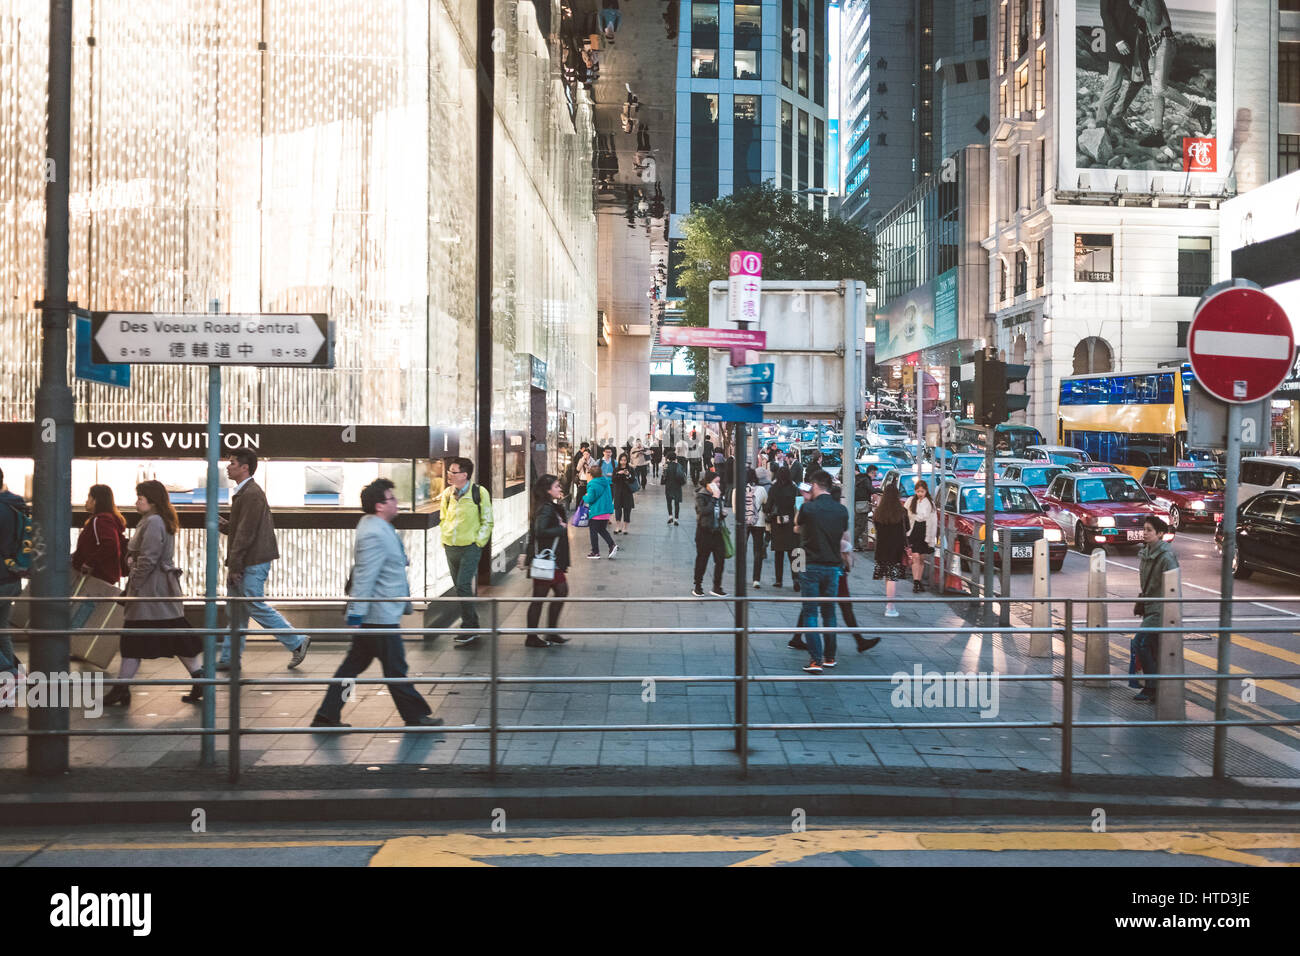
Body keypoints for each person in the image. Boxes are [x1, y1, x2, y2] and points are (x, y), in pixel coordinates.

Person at [312, 479, 442, 728]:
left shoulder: (379, 527)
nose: (396, 502)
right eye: (391, 498)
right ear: (380, 505)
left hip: (377, 614)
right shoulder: (373, 532)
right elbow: (364, 576)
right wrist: (356, 615)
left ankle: (327, 713)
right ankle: (415, 716)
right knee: (395, 668)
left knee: (353, 667)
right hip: (378, 616)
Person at [104, 481, 204, 708]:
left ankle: (122, 689)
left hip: (150, 590)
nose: (136, 501)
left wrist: (134, 583)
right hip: (159, 590)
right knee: (170, 634)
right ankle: (199, 679)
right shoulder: (155, 520)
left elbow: (148, 558)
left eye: (140, 497)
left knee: (138, 636)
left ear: (152, 500)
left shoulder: (153, 522)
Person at [218, 450, 309, 671]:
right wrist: (223, 525)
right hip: (250, 560)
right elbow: (242, 529)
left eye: (232, 463)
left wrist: (236, 566)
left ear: (244, 467)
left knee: (252, 603)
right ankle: (229, 659)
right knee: (237, 611)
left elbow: (246, 533)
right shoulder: (245, 492)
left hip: (252, 561)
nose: (228, 467)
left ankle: (297, 641)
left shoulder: (251, 494)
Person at [794, 470, 849, 674]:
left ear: (815, 485)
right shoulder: (841, 510)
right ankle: (830, 657)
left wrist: (806, 501)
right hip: (833, 566)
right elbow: (843, 534)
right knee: (829, 613)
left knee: (810, 613)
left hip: (811, 564)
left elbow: (797, 526)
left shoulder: (809, 508)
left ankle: (815, 660)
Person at [439, 456, 494, 647]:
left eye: (453, 472)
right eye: (449, 471)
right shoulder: (447, 493)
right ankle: (472, 625)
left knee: (463, 585)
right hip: (451, 546)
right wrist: (444, 539)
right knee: (460, 587)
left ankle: (469, 627)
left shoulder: (479, 492)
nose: (449, 475)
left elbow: (487, 520)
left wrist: (478, 542)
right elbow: (443, 517)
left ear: (464, 475)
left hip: (470, 547)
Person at [1132, 515, 1179, 703]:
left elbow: (1174, 584)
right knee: (1151, 646)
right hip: (1150, 605)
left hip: (1161, 608)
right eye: (1144, 529)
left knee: (1140, 642)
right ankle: (1156, 685)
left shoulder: (1166, 556)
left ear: (1160, 534)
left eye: (1149, 530)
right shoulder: (1146, 552)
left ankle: (1152, 686)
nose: (1144, 533)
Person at [830, 486, 881, 654]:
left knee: (813, 604)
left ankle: (798, 637)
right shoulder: (838, 513)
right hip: (835, 567)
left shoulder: (826, 512)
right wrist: (847, 557)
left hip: (825, 565)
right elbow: (841, 541)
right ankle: (853, 643)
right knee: (843, 605)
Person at [521, 475, 571, 648]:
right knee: (542, 597)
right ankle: (533, 637)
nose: (560, 489)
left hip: (550, 560)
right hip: (546, 560)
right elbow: (540, 531)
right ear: (548, 490)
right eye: (557, 486)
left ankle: (549, 632)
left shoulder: (549, 506)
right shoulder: (546, 508)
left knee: (559, 592)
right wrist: (561, 529)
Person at [0, 468, 27, 678]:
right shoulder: (14, 506)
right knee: (3, 632)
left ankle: (8, 672)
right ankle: (11, 679)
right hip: (12, 576)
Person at [72, 484, 128, 585]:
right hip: (103, 574)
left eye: (89, 497)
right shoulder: (107, 519)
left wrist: (89, 563)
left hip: (97, 575)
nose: (86, 501)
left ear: (95, 500)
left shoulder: (100, 520)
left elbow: (110, 544)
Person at [872, 482, 909, 618]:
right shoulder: (902, 512)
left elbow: (876, 527)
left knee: (888, 577)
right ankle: (890, 607)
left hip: (881, 547)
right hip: (896, 548)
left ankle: (889, 602)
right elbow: (907, 529)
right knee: (892, 577)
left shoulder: (878, 512)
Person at [693, 471, 728, 596]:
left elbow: (716, 513)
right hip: (704, 531)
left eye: (719, 482)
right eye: (716, 482)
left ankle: (717, 586)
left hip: (717, 532)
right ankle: (698, 585)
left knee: (720, 559)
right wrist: (714, 499)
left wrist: (722, 515)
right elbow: (703, 511)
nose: (718, 485)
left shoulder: (718, 495)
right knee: (702, 559)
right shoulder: (701, 495)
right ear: (709, 484)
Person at [735, 468, 768, 589]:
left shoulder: (737, 490)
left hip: (743, 524)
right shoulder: (761, 489)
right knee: (757, 552)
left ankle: (741, 577)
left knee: (741, 550)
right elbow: (766, 505)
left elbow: (735, 510)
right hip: (759, 523)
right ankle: (756, 579)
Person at [768, 467, 800, 591]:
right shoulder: (794, 489)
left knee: (779, 553)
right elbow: (798, 505)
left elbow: (768, 506)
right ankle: (797, 578)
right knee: (796, 551)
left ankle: (778, 580)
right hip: (792, 523)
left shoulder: (773, 489)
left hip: (778, 523)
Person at [905, 479, 937, 593]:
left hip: (925, 532)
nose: (920, 494)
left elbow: (933, 521)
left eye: (922, 491)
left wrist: (931, 538)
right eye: (918, 491)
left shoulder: (930, 503)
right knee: (915, 557)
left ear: (926, 491)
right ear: (915, 491)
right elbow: (905, 516)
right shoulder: (910, 501)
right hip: (914, 531)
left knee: (922, 558)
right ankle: (916, 582)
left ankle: (918, 581)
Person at [583, 467, 618, 558]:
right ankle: (612, 545)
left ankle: (595, 552)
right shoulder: (605, 482)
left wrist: (584, 497)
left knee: (593, 531)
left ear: (590, 475)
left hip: (597, 512)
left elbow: (590, 498)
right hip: (606, 512)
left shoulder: (592, 484)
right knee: (602, 529)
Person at [612, 451, 636, 534]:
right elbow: (613, 480)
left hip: (627, 493)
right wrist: (618, 473)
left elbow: (633, 480)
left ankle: (625, 527)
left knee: (627, 510)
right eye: (621, 460)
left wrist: (628, 474)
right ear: (619, 460)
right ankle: (618, 526)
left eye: (625, 460)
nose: (623, 462)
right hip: (618, 492)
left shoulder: (631, 469)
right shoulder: (616, 469)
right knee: (618, 509)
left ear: (627, 460)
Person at [662, 451, 687, 524]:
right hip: (677, 486)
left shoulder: (666, 465)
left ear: (668, 458)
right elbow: (682, 475)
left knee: (669, 502)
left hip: (668, 486)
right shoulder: (678, 465)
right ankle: (676, 519)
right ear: (675, 458)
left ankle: (670, 517)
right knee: (677, 503)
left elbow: (664, 475)